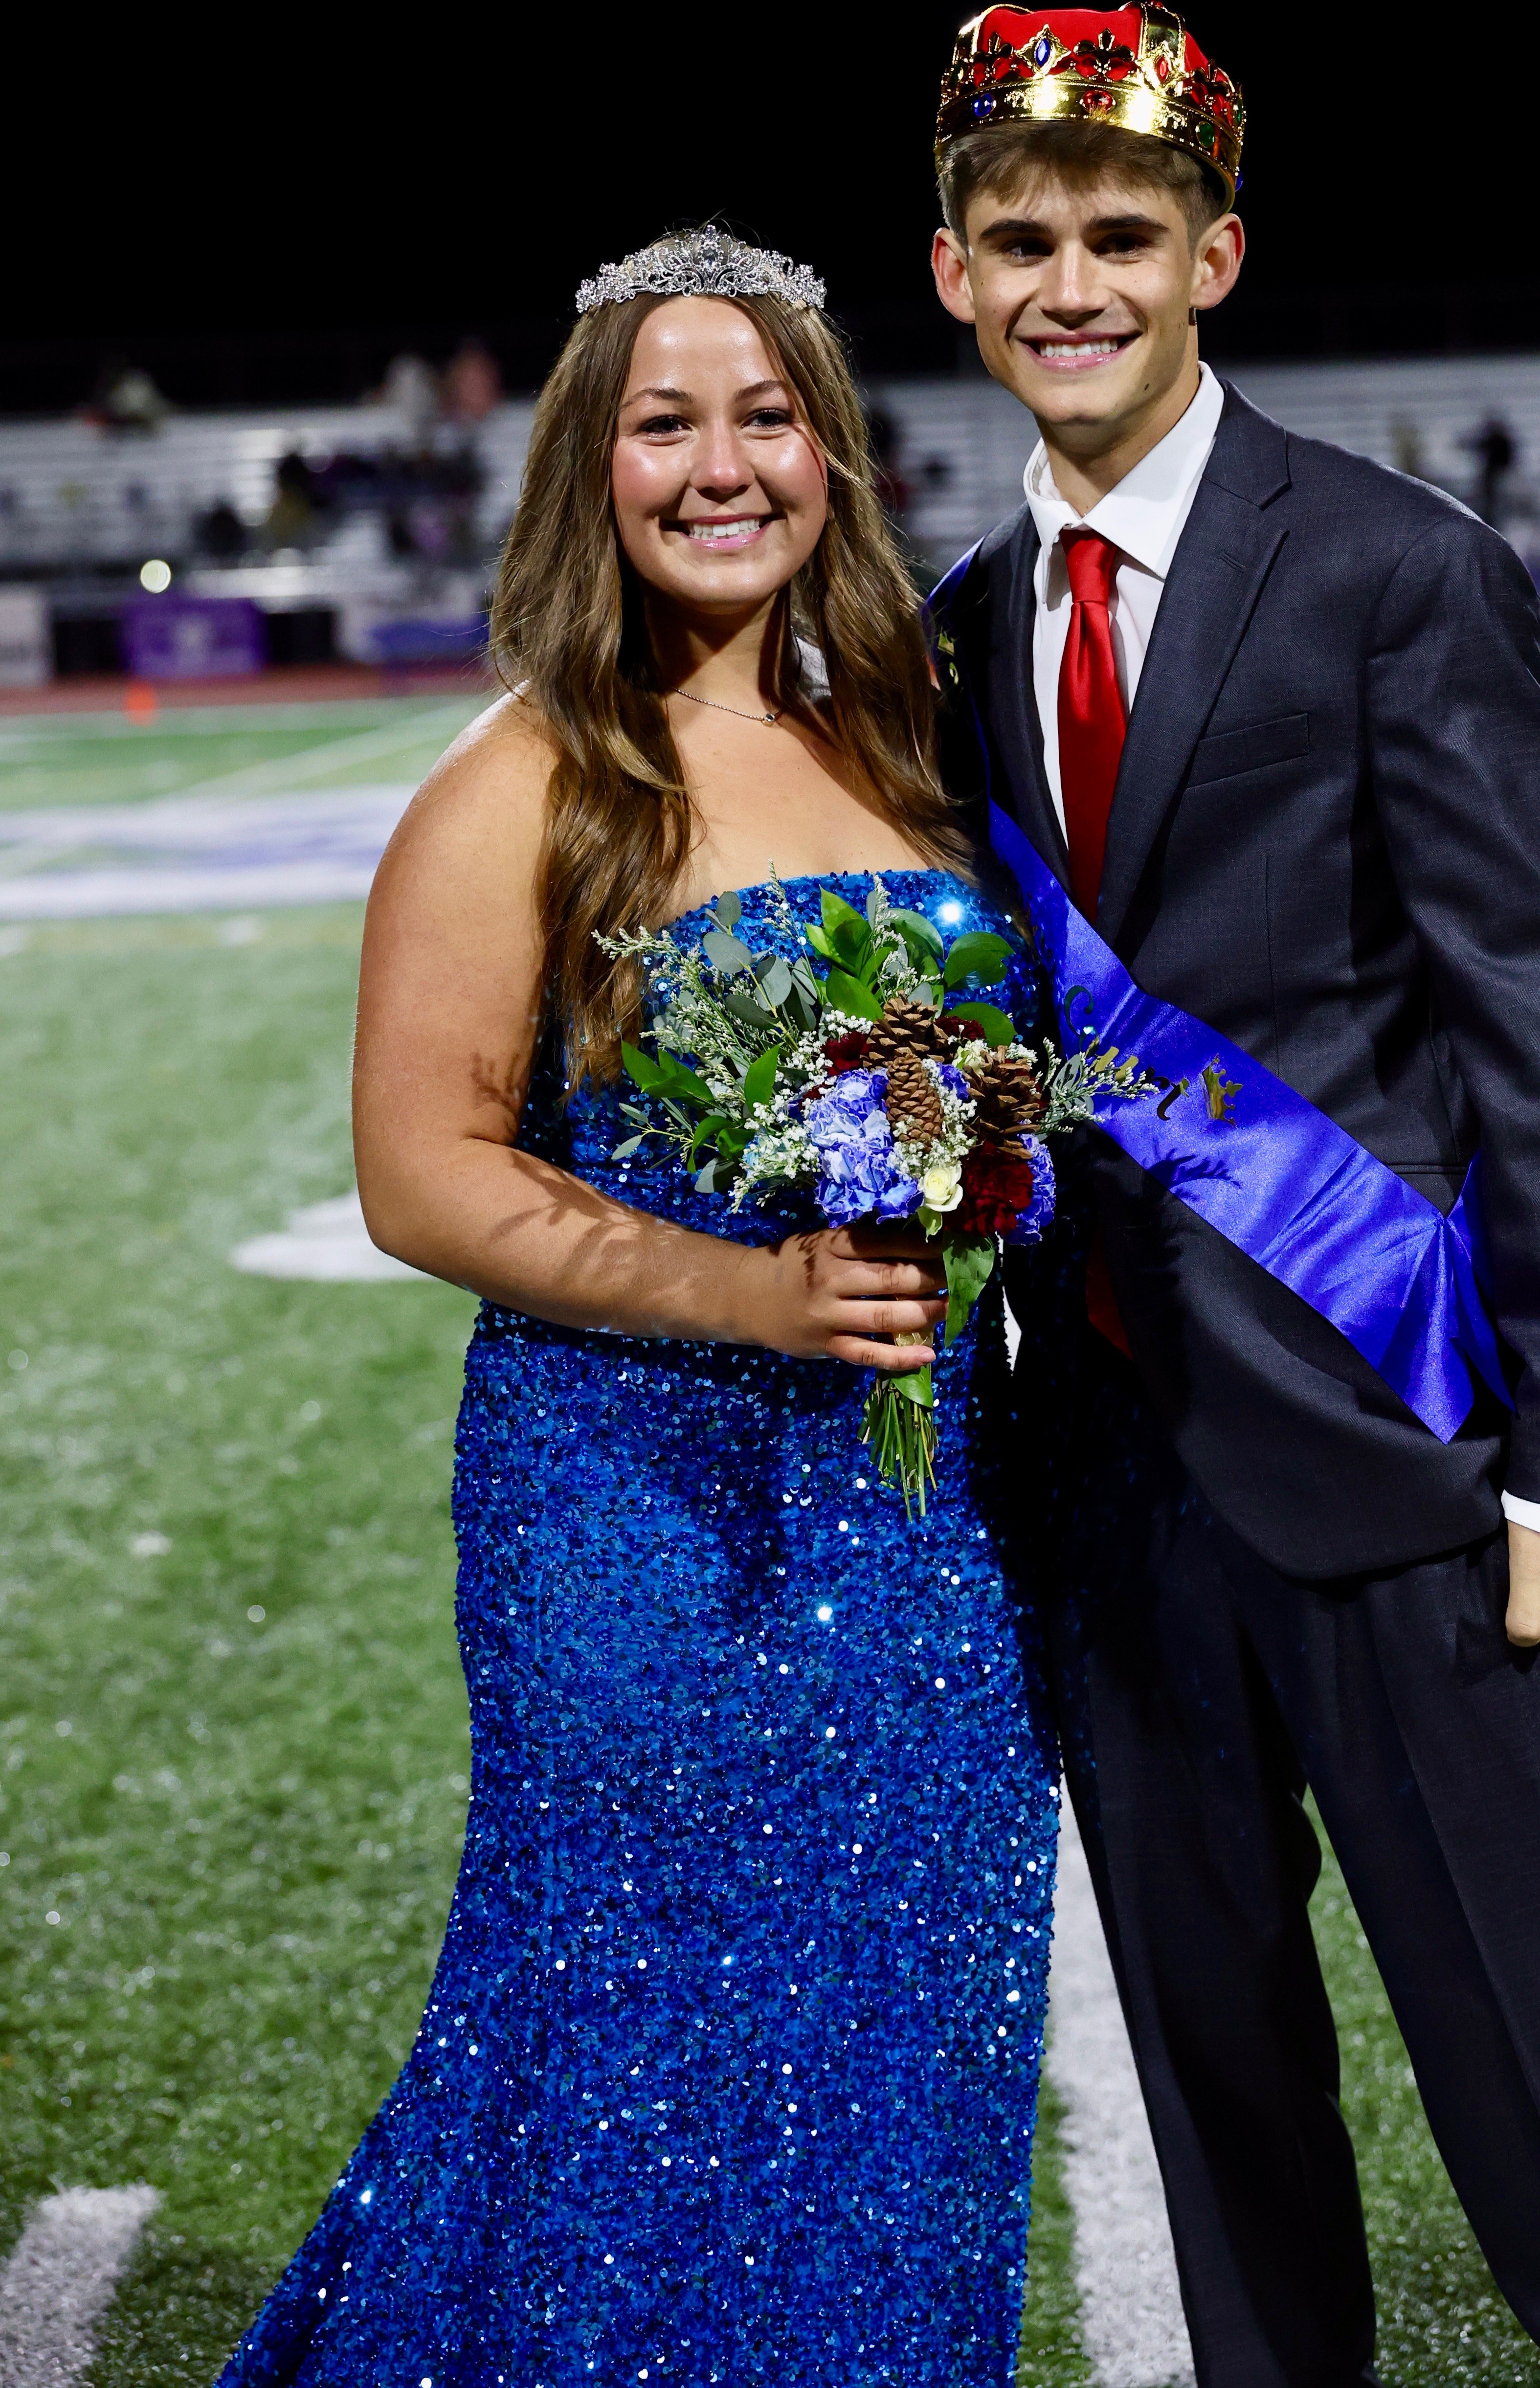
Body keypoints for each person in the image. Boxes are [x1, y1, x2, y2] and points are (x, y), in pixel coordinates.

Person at [928, 2, 1540, 2387]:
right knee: (1218, 2108)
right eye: (1022, 237)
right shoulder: (950, 633)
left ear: (1216, 255)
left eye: (1122, 236)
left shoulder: (1391, 566)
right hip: (1101, 1478)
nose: (1073, 280)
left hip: (1408, 1463)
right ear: (953, 274)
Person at [217, 227, 1059, 2385]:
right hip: (634, 1528)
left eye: (764, 415)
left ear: (829, 450)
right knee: (626, 2044)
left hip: (924, 1521)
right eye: (665, 423)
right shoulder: (523, 784)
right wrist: (746, 1296)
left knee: (904, 2049)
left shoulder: (907, 736)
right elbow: (422, 1177)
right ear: (590, 466)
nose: (721, 465)